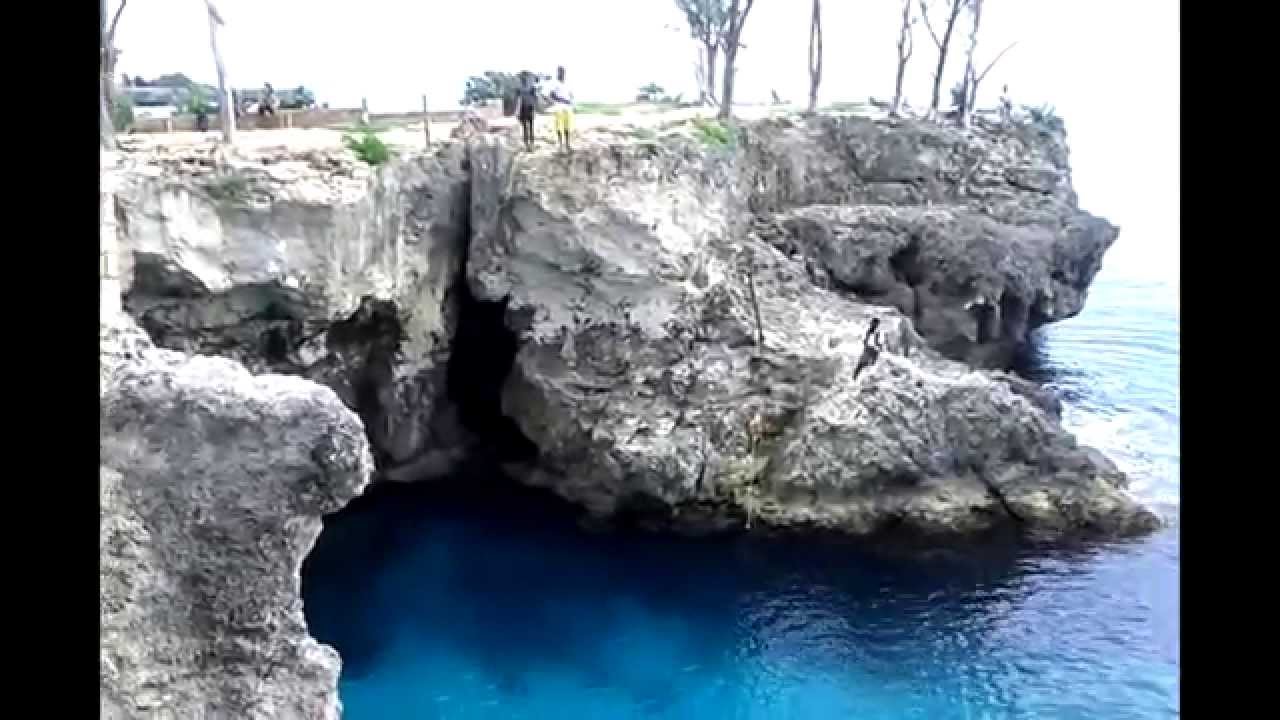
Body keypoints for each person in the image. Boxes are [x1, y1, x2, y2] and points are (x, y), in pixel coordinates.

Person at [545, 66, 574, 152]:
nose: (562, 74)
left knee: (567, 126)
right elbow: (551, 95)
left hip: (568, 107)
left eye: (563, 72)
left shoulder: (567, 83)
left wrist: (570, 101)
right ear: (558, 73)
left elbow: (571, 95)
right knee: (559, 126)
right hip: (559, 107)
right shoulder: (555, 83)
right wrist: (562, 99)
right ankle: (560, 144)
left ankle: (568, 144)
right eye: (560, 72)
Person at [513, 72, 539, 152]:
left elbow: (535, 99)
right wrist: (517, 111)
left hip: (529, 108)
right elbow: (517, 100)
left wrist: (534, 110)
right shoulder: (519, 89)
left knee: (530, 128)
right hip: (523, 109)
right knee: (526, 128)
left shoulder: (532, 88)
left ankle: (531, 144)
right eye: (522, 78)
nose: (524, 79)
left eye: (525, 77)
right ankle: (527, 145)